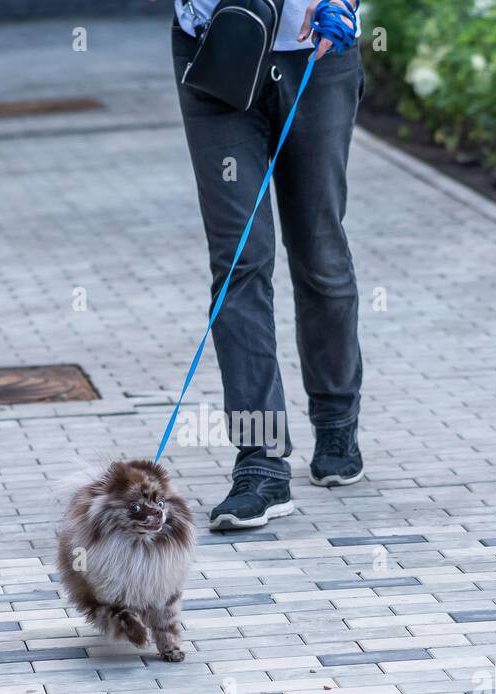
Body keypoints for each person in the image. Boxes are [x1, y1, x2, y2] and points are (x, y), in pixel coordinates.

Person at [172, 1, 364, 530]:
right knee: (240, 261)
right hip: (217, 49)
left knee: (319, 253)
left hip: (317, 55)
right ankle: (260, 461)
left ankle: (336, 418)